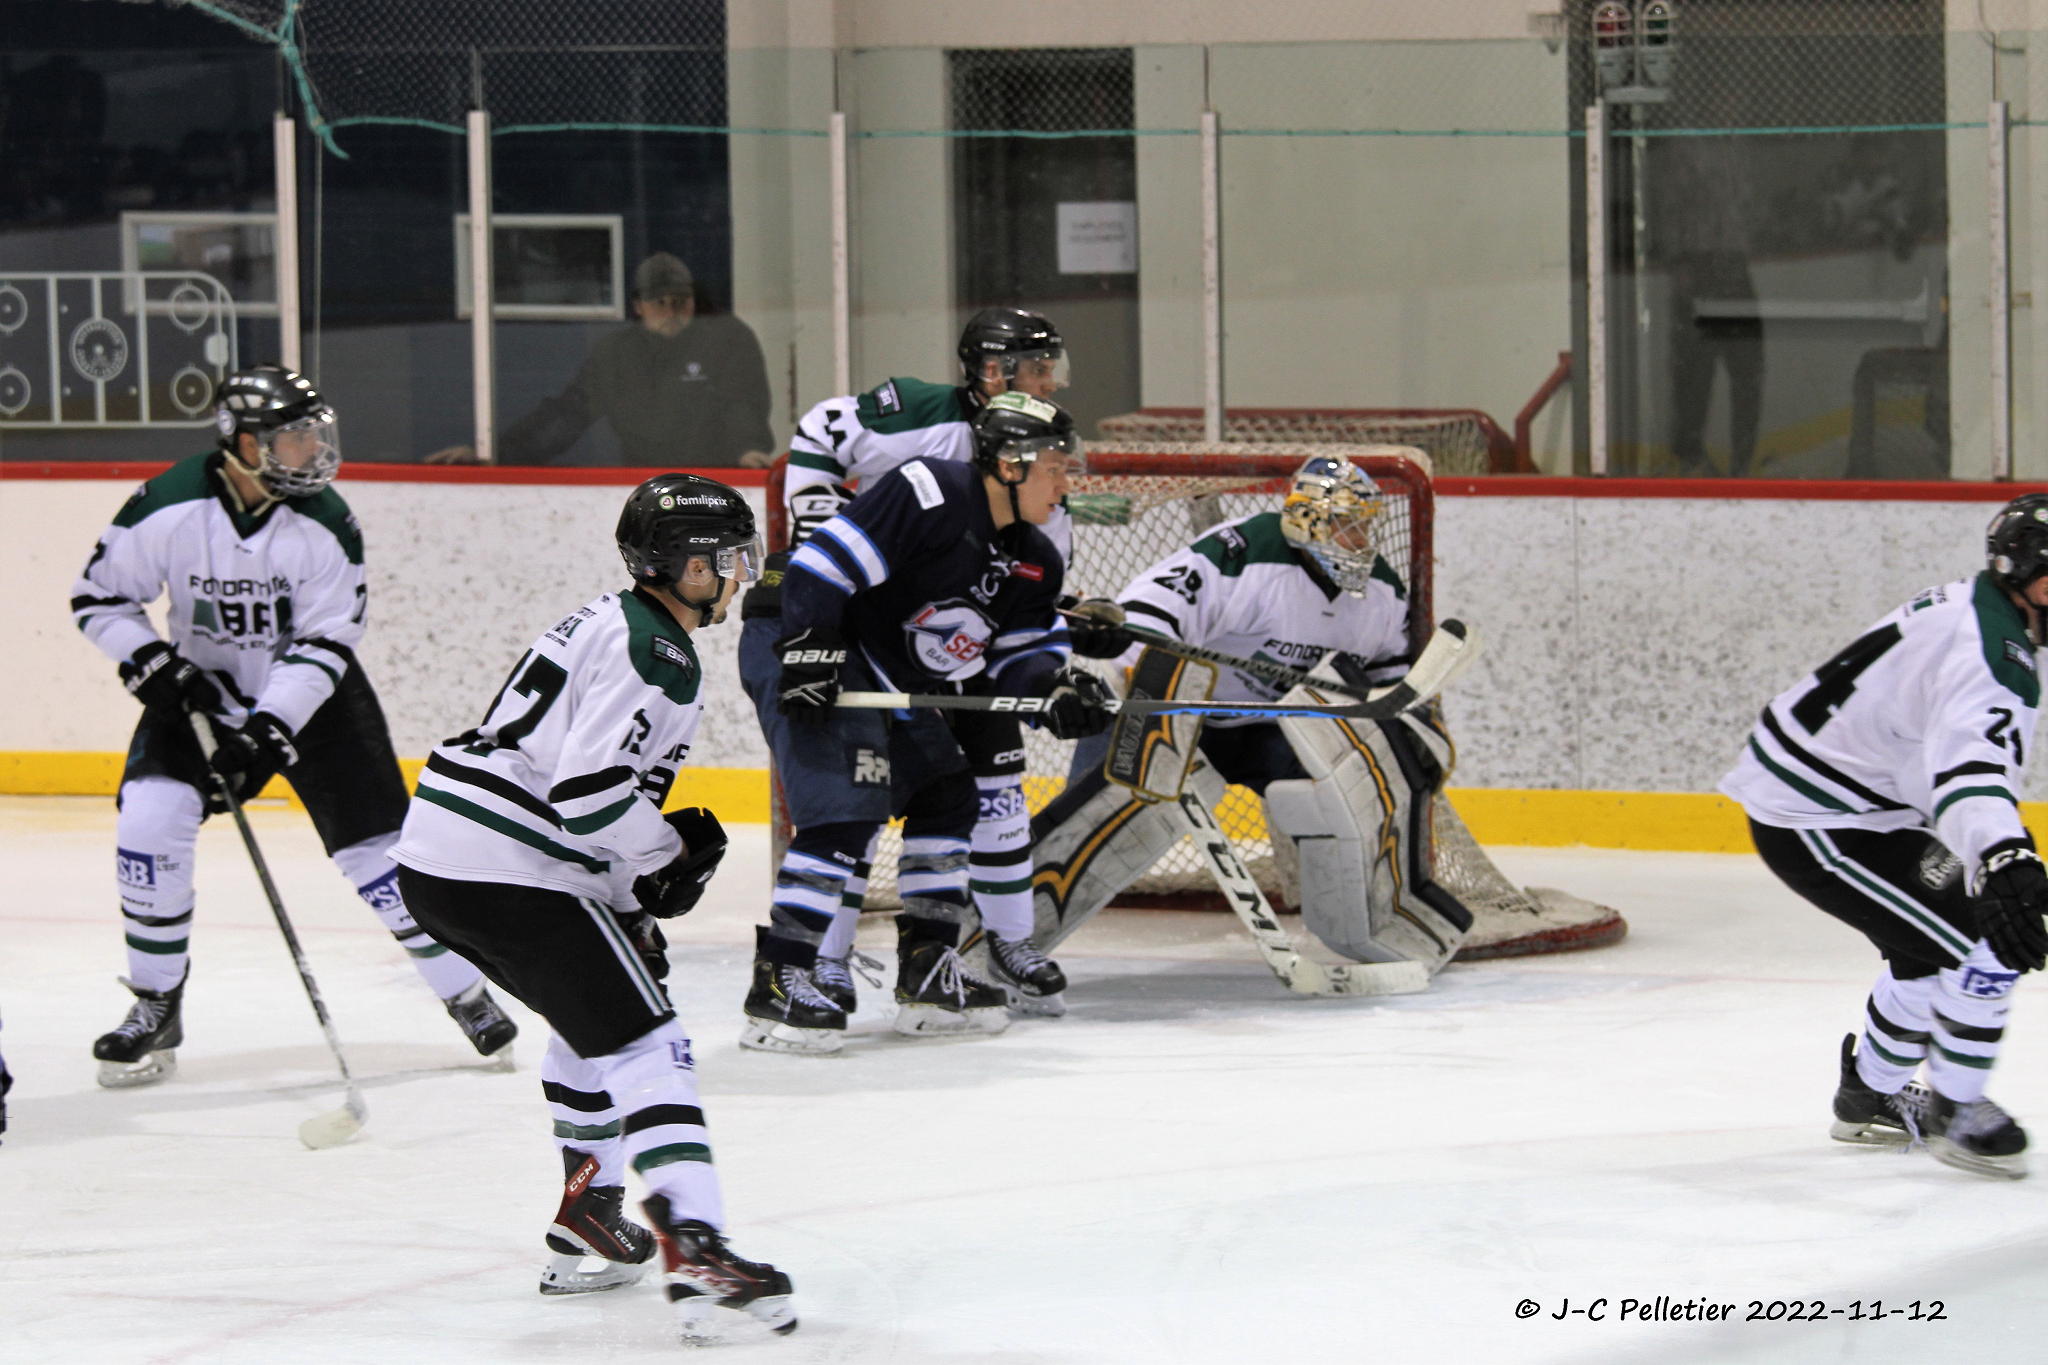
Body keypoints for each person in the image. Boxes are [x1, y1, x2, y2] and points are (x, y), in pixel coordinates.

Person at [392, 474, 797, 1343]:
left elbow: (570, 783)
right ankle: (699, 1253)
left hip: (444, 859)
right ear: (688, 565)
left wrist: (629, 903)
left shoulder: (608, 617)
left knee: (598, 1015)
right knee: (650, 1044)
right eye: (728, 559)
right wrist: (665, 857)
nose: (738, 574)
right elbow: (588, 792)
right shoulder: (663, 652)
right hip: (510, 865)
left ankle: (591, 1206)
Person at [70, 365, 516, 1089]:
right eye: (295, 434)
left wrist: (272, 724)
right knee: (150, 821)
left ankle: (465, 992)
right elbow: (98, 597)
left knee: (384, 862)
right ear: (244, 443)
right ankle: (156, 1003)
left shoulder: (327, 521)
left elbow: (326, 641)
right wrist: (149, 658)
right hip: (199, 692)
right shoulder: (170, 503)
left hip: (320, 703)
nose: (314, 447)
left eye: (314, 430)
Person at [736, 391, 1110, 1055]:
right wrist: (813, 644)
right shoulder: (931, 489)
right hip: (802, 632)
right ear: (1011, 464)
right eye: (1055, 466)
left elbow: (1016, 661)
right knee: (848, 804)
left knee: (948, 791)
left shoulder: (1033, 560)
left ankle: (926, 971)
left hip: (878, 665)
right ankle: (781, 975)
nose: (1065, 482)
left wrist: (1056, 689)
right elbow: (820, 566)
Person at [1030, 453, 1472, 972]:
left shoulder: (1380, 591)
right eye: (1349, 526)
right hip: (1181, 714)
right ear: (1310, 519)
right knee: (1103, 816)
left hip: (1272, 729)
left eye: (1365, 528)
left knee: (1362, 781)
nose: (1361, 542)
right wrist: (1124, 651)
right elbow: (1150, 616)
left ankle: (1380, 918)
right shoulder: (1244, 554)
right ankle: (1014, 927)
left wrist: (1413, 731)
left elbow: (1386, 683)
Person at [1719, 494, 2048, 1180]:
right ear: (2029, 574)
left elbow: (1933, 752)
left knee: (1925, 945)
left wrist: (1988, 849)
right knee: (1981, 933)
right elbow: (1968, 769)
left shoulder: (1969, 604)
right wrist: (2004, 854)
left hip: (1846, 800)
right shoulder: (1998, 652)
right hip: (1820, 817)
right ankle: (1955, 1108)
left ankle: (1866, 1094)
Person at [426, 253, 775, 468]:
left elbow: (742, 403)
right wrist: (495, 453)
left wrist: (749, 448)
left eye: (680, 300)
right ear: (638, 306)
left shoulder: (726, 338)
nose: (671, 311)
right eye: (659, 302)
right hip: (643, 483)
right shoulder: (616, 354)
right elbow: (566, 416)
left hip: (714, 479)